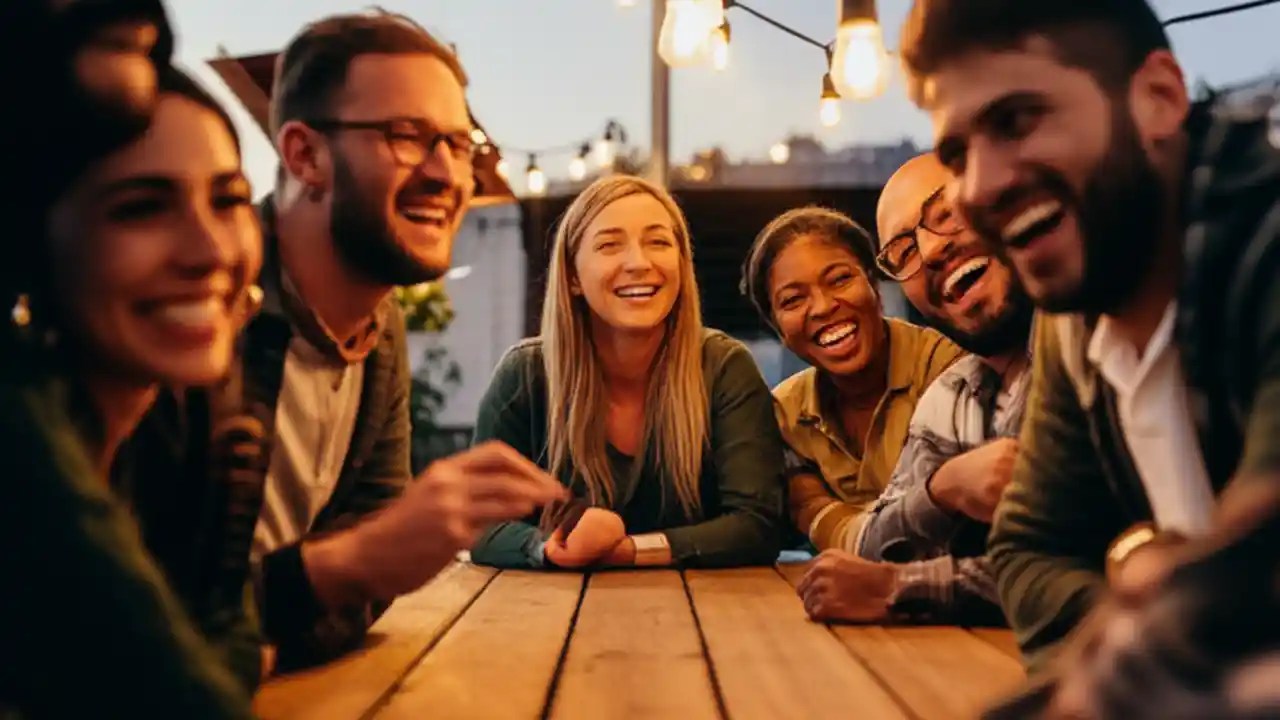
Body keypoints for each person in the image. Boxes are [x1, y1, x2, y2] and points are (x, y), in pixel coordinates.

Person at [898, 0, 1280, 713]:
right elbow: (1027, 553)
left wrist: (1156, 610)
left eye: (1016, 121)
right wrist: (1148, 582)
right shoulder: (1077, 319)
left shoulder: (1264, 231)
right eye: (957, 156)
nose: (978, 187)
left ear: (1159, 98)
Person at [189, 10, 564, 669]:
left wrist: (303, 609)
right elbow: (125, 620)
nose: (448, 174)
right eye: (407, 136)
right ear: (305, 154)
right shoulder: (196, 305)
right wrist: (347, 568)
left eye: (459, 143)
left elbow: (369, 596)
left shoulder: (377, 325)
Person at [2, 61, 261, 719]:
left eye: (229, 200)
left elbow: (231, 643)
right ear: (31, 244)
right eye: (141, 208)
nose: (209, 251)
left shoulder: (188, 424)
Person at [471, 175, 786, 569]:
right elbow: (481, 525)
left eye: (658, 242)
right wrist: (549, 549)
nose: (639, 263)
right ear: (572, 277)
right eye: (609, 245)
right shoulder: (526, 374)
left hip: (710, 618)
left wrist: (628, 550)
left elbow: (757, 525)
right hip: (548, 617)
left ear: (681, 264)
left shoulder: (724, 368)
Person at [796, 153, 1034, 625]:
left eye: (944, 213)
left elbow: (1073, 568)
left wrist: (899, 587)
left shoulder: (1093, 348)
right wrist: (943, 489)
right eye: (903, 253)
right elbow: (873, 544)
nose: (928, 251)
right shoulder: (955, 392)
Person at [741, 206, 965, 553]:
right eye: (793, 300)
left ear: (874, 285)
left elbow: (935, 529)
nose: (823, 307)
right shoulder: (784, 413)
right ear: (778, 329)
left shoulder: (947, 368)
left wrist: (821, 514)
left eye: (840, 280)